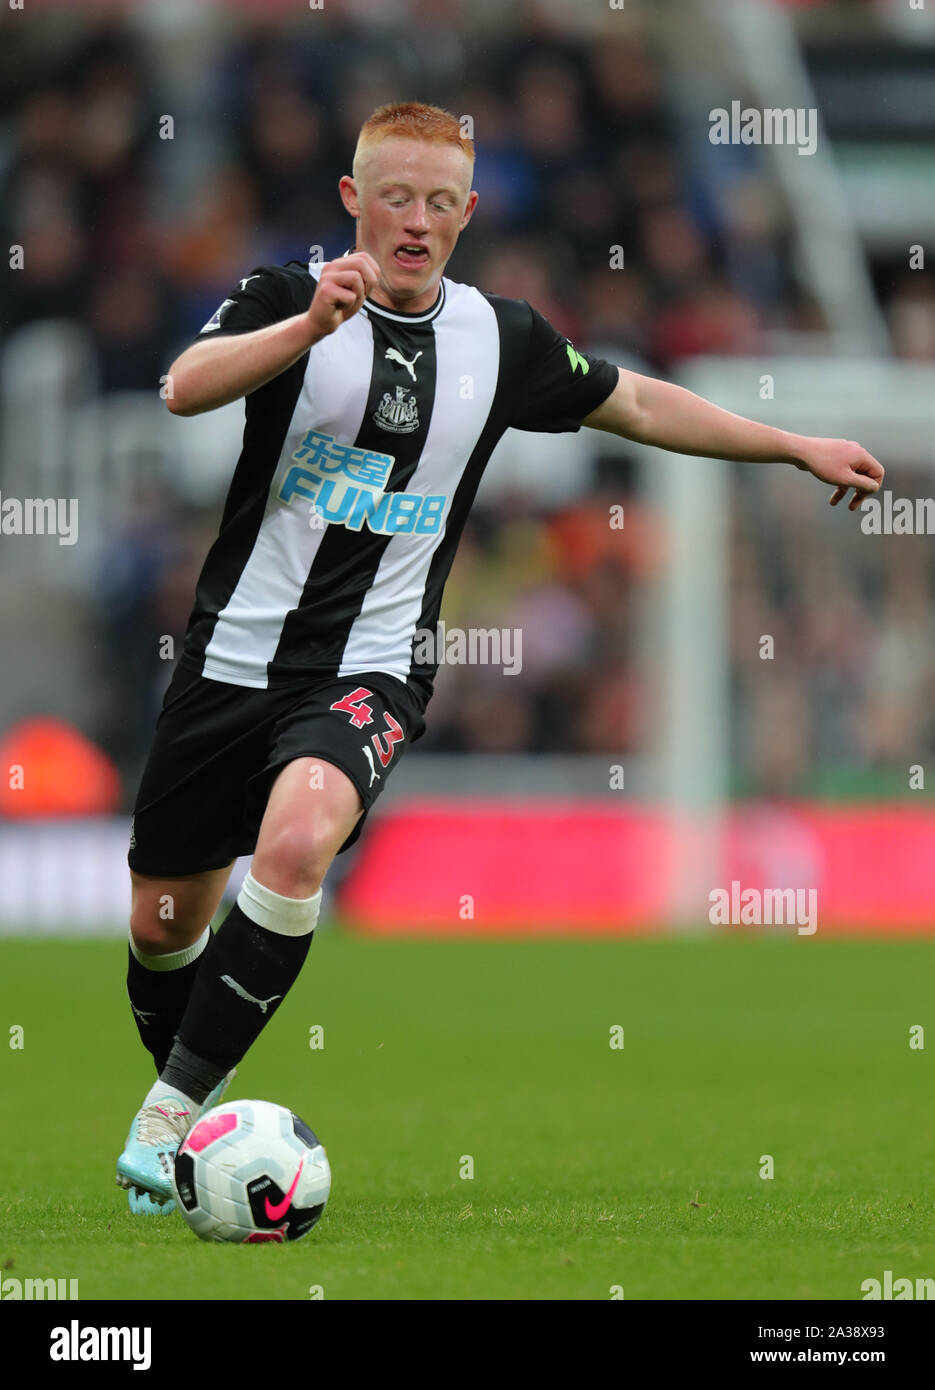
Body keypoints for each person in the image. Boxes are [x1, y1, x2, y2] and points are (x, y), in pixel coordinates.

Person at [117, 101, 883, 1217]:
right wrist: (306, 330)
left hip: (371, 666)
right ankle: (194, 1090)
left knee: (295, 841)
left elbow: (633, 400)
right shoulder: (290, 297)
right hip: (229, 663)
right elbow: (184, 384)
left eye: (438, 202)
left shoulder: (500, 338)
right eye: (394, 197)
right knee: (161, 927)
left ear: (468, 211)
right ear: (352, 199)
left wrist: (787, 441)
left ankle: (169, 1118)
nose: (415, 221)